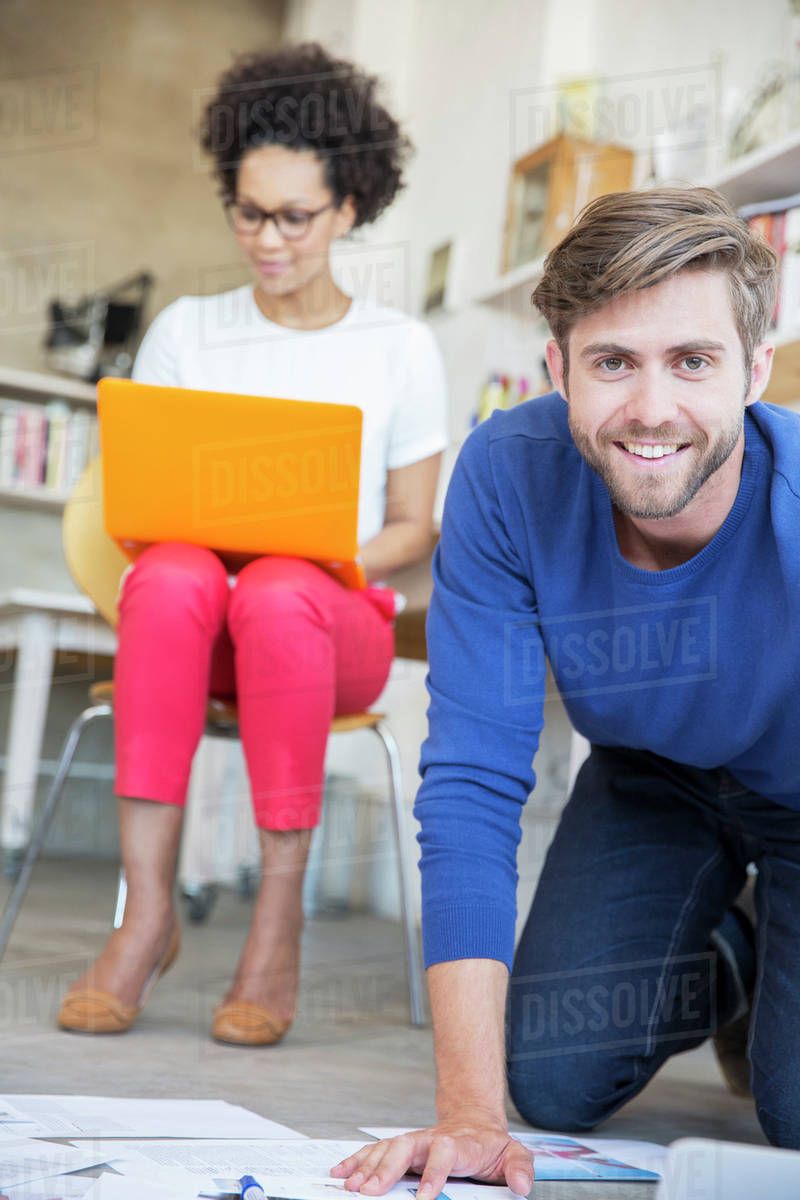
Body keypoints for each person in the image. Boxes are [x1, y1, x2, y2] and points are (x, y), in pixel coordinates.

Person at [331, 185, 800, 1194]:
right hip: (653, 780)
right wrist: (466, 1115)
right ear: (557, 368)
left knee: (795, 1111)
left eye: (692, 361)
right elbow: (470, 783)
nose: (649, 409)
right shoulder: (506, 476)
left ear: (755, 370)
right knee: (547, 1075)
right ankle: (725, 949)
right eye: (610, 363)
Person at [57, 42, 447, 1045]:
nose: (266, 239)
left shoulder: (399, 348)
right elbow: (142, 504)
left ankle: (274, 931)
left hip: (329, 630)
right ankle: (146, 917)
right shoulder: (187, 332)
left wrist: (329, 548)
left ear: (349, 207)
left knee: (277, 587)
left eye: (294, 217)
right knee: (176, 571)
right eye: (246, 211)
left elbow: (416, 523)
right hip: (195, 625)